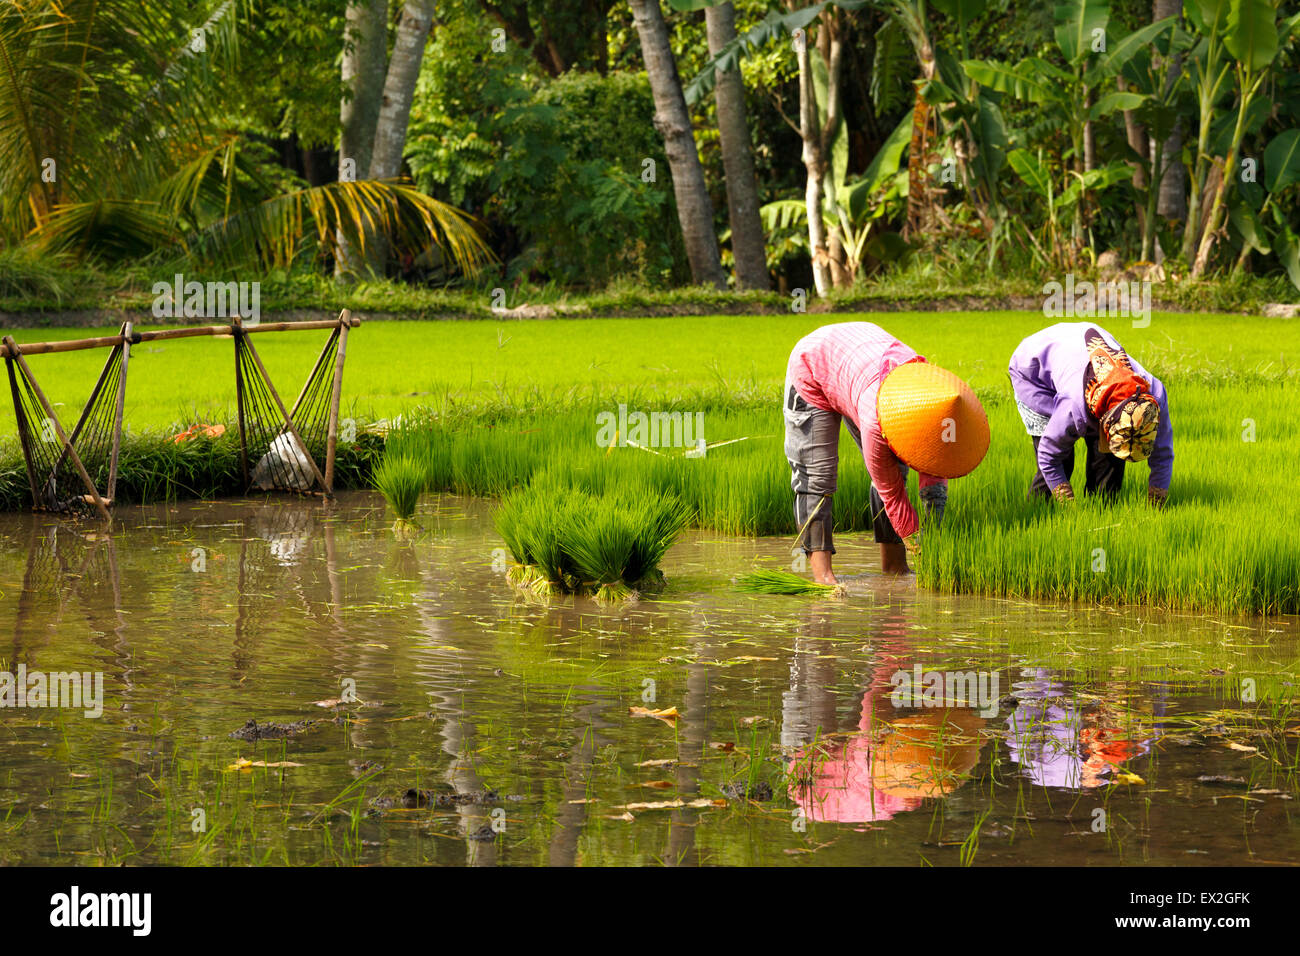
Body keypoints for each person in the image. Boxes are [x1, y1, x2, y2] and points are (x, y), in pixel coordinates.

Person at [783, 322, 989, 582]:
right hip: (814, 366)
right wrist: (921, 548)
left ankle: (894, 569)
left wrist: (935, 534)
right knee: (818, 478)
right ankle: (824, 579)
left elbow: (936, 467)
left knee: (900, 465)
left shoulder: (935, 400)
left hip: (859, 366)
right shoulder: (876, 423)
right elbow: (891, 494)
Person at [1008, 322, 1172, 504]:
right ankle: (1037, 511)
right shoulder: (1073, 405)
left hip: (1079, 357)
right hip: (1033, 373)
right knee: (1062, 460)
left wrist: (1157, 500)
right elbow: (1049, 456)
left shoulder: (1154, 393)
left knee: (1109, 460)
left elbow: (1163, 453)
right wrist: (1066, 501)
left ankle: (1102, 508)